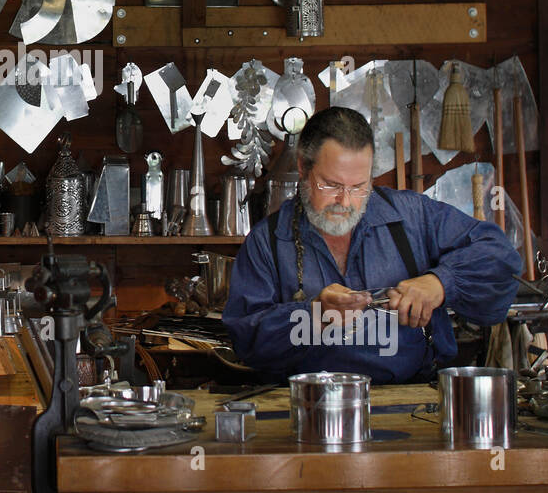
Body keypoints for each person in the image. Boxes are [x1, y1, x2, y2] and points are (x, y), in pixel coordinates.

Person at [223, 106, 521, 383]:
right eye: (331, 185)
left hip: (413, 402)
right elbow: (246, 340)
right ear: (303, 167)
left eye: (359, 186)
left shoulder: (413, 218)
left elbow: (499, 258)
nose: (345, 201)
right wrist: (314, 316)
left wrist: (440, 284)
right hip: (308, 406)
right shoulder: (267, 241)